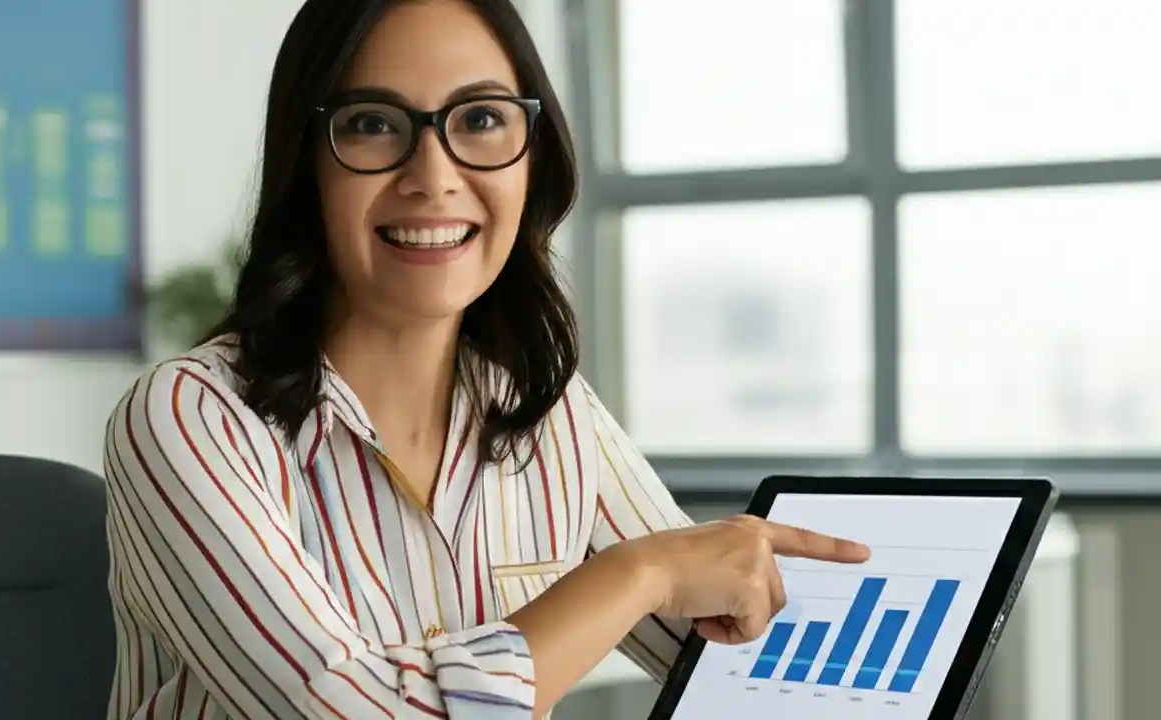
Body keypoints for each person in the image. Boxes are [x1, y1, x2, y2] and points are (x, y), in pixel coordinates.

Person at [101, 0, 870, 717]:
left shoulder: (549, 409)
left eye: (479, 119)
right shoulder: (187, 417)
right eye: (372, 124)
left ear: (532, 161)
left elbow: (726, 655)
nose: (433, 177)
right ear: (308, 165)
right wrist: (642, 573)